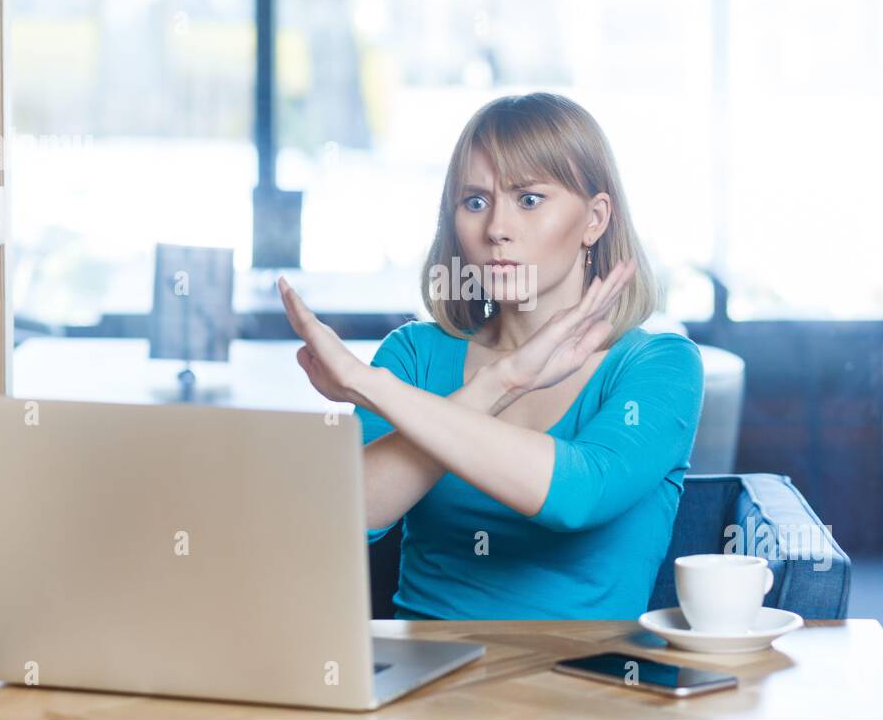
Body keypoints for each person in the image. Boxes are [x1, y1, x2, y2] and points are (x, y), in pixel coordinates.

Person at [278, 92, 704, 620]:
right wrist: (502, 381)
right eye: (475, 202)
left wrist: (370, 386)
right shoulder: (414, 354)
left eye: (529, 199)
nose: (496, 228)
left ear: (595, 219)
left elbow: (579, 495)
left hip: (586, 687)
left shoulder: (660, 365)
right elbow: (340, 518)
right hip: (426, 685)